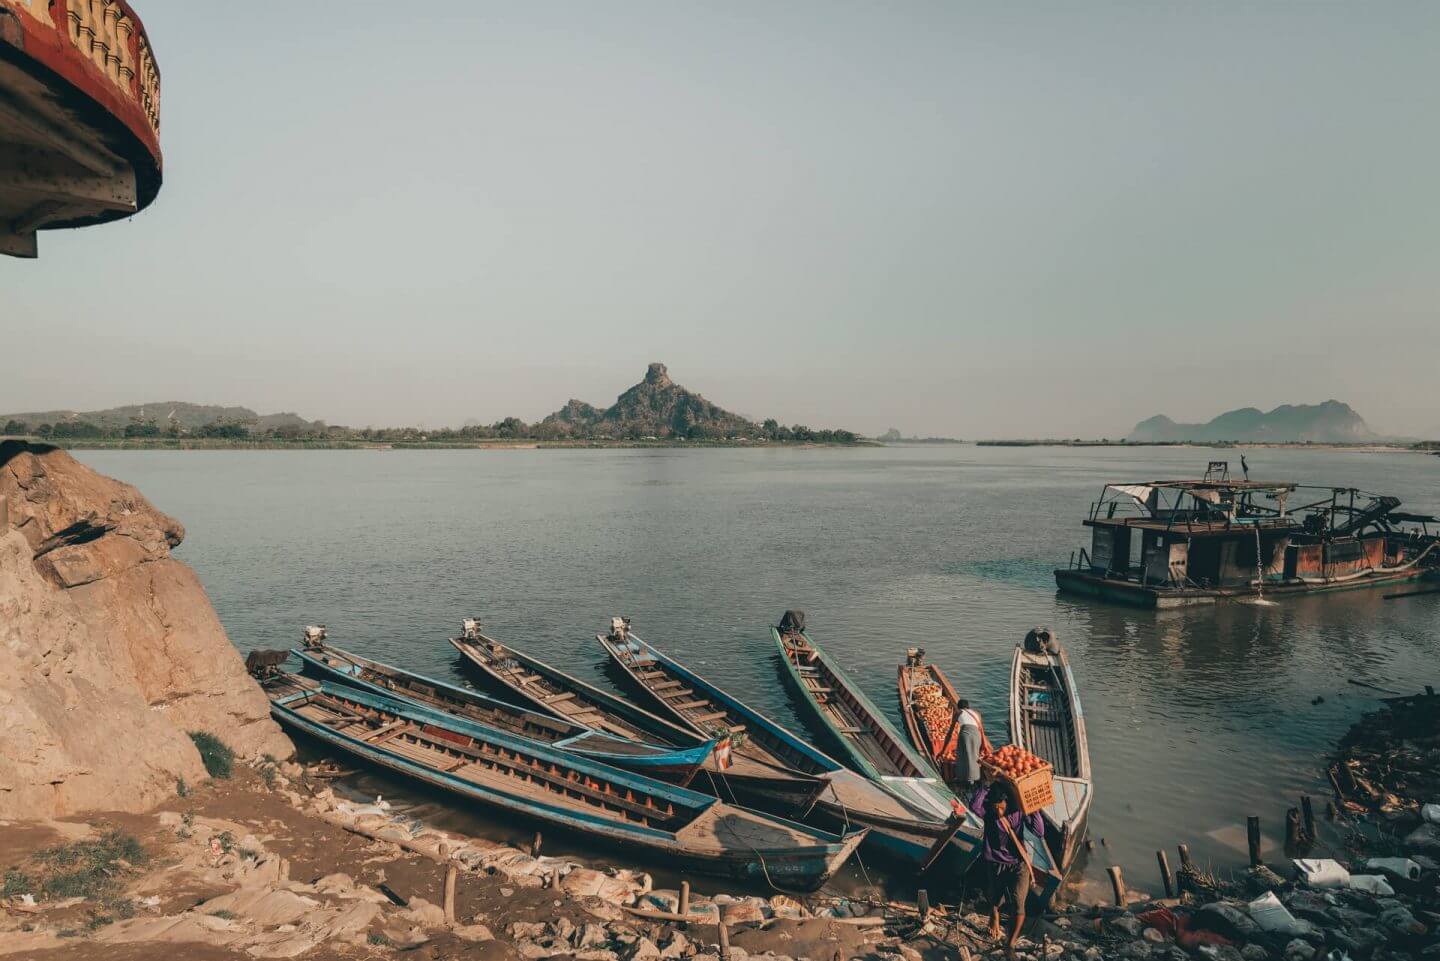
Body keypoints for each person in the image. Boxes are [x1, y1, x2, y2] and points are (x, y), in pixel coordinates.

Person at [973, 779, 1043, 958]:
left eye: (1002, 807)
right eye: (996, 807)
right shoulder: (988, 811)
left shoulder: (1018, 811)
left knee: (1019, 904)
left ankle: (1010, 943)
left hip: (1018, 863)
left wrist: (1032, 807)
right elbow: (974, 807)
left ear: (1008, 803)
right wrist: (985, 786)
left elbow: (1038, 831)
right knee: (994, 896)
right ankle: (994, 914)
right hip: (995, 861)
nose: (999, 811)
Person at [953, 698, 993, 794]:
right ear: (968, 706)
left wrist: (942, 751)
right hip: (977, 735)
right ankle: (976, 781)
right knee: (974, 757)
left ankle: (965, 782)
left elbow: (950, 732)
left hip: (965, 734)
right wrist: (984, 744)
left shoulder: (958, 713)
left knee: (963, 757)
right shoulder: (976, 714)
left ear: (959, 708)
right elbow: (981, 730)